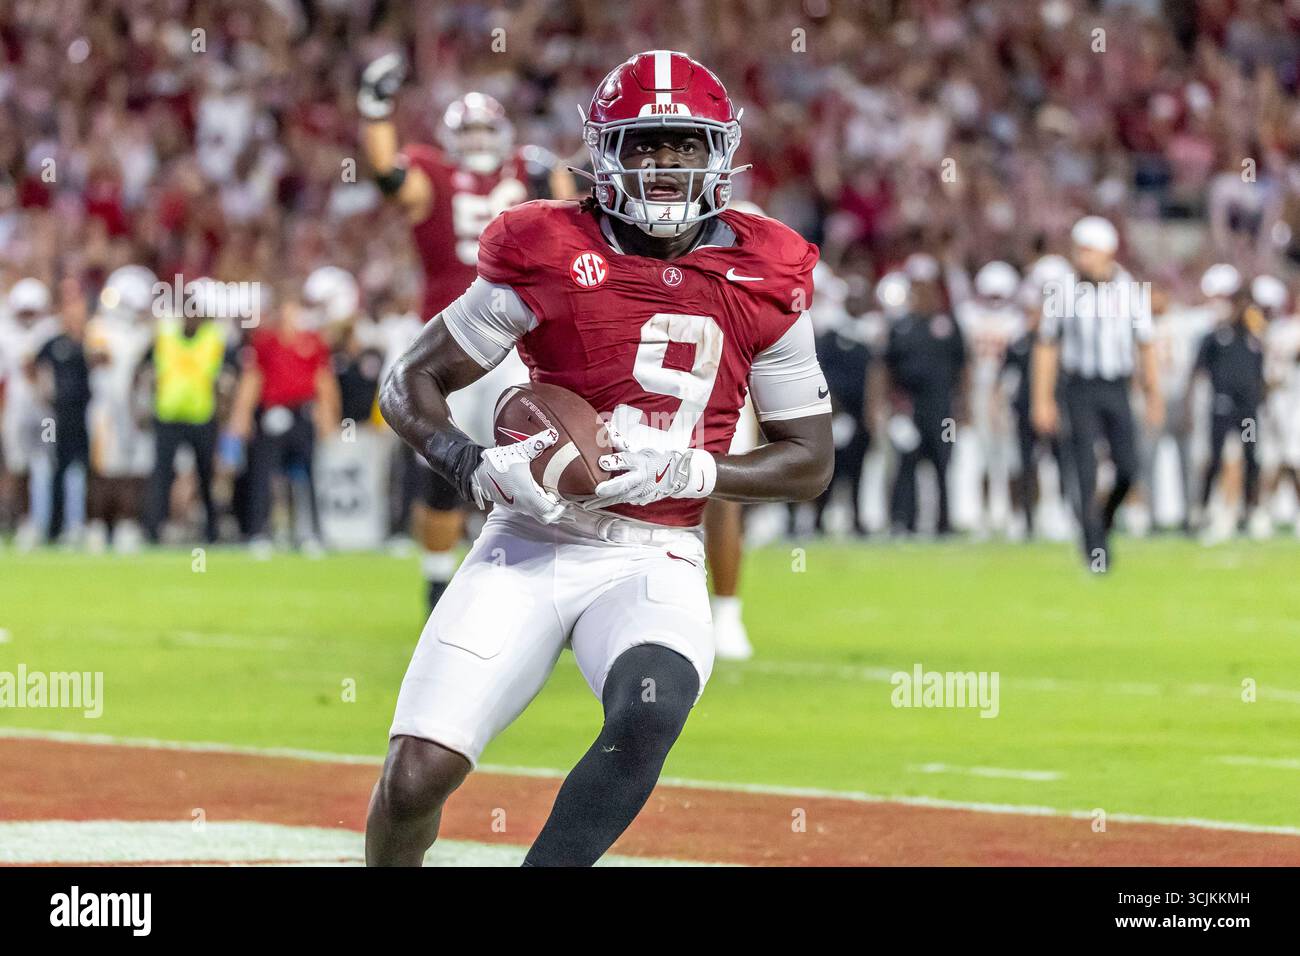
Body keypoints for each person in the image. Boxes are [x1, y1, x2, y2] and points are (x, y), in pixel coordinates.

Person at [367, 51, 832, 868]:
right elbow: (411, 380)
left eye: (682, 145)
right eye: (644, 144)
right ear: (603, 151)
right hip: (530, 539)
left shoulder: (768, 268)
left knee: (650, 710)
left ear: (719, 152)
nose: (663, 165)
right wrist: (471, 465)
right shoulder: (545, 245)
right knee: (415, 776)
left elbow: (809, 459)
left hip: (655, 553)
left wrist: (697, 472)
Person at [359, 55, 561, 611]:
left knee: (535, 453)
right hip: (450, 334)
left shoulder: (531, 170)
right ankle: (436, 579)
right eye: (465, 129)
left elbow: (579, 217)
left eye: (483, 129)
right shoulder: (436, 175)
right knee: (447, 461)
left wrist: (557, 175)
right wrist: (376, 111)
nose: (475, 139)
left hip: (521, 336)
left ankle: (534, 574)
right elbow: (389, 176)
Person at [1032, 216, 1164, 571]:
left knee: (1128, 468)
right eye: (1079, 250)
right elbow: (1046, 346)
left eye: (1088, 250)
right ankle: (1095, 550)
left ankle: (1102, 521)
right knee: (1085, 470)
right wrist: (1042, 399)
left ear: (1107, 251)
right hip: (1079, 388)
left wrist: (1153, 394)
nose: (1081, 257)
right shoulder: (1063, 290)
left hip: (1117, 386)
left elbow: (1146, 344)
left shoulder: (1129, 289)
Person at [228, 297, 339, 554]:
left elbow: (323, 380)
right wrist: (242, 415)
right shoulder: (266, 342)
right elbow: (253, 379)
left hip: (303, 413)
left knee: (308, 476)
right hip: (273, 414)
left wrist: (329, 415)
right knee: (263, 475)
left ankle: (311, 533)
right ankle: (260, 532)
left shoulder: (312, 342)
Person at [140, 280, 235, 545]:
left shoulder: (215, 338)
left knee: (206, 476)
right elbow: (144, 370)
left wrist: (226, 416)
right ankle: (153, 530)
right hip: (168, 415)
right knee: (162, 474)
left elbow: (227, 380)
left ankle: (212, 531)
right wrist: (141, 405)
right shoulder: (164, 334)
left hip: (201, 416)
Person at [884, 254, 967, 536]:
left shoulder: (947, 324)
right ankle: (903, 521)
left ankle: (944, 522)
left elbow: (963, 366)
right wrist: (891, 406)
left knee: (943, 463)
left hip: (941, 405)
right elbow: (885, 368)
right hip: (909, 405)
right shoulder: (901, 326)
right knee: (906, 462)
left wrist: (962, 405)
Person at [84, 266, 157, 552]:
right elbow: (98, 357)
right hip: (108, 408)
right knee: (104, 469)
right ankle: (97, 524)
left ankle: (129, 524)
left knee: (136, 469)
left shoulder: (150, 330)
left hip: (139, 409)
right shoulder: (101, 327)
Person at [1188, 277, 1268, 539]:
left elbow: (1259, 375)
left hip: (1247, 410)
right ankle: (1204, 508)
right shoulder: (1217, 336)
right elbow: (1198, 371)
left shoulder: (1254, 339)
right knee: (1216, 457)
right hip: (1222, 405)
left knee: (1250, 458)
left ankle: (1250, 509)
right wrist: (1192, 403)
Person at [956, 260, 1025, 536]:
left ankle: (1015, 514)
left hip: (1009, 391)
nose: (995, 300)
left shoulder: (1018, 320)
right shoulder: (967, 315)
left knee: (1012, 457)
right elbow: (963, 362)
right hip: (979, 390)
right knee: (983, 457)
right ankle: (984, 514)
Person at [33, 278, 93, 545]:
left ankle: (79, 524)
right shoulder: (54, 342)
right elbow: (32, 364)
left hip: (83, 415)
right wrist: (43, 390)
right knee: (53, 467)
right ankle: (50, 527)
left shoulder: (89, 342)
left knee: (82, 468)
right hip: (54, 418)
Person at [0, 278, 59, 547]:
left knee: (45, 464)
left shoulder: (50, 331)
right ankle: (22, 521)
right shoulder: (5, 332)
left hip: (45, 412)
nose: (28, 317)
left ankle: (45, 522)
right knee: (17, 465)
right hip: (16, 408)